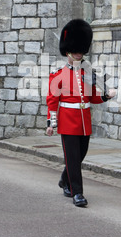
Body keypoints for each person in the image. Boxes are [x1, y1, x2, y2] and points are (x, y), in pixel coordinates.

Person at [46, 19, 116, 207]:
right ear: (68, 51)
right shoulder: (58, 74)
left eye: (81, 51)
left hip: (84, 122)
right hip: (67, 122)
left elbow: (92, 98)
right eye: (76, 51)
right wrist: (51, 124)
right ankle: (78, 193)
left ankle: (65, 179)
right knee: (74, 158)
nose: (79, 54)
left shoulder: (88, 72)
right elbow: (52, 101)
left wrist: (106, 97)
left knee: (79, 156)